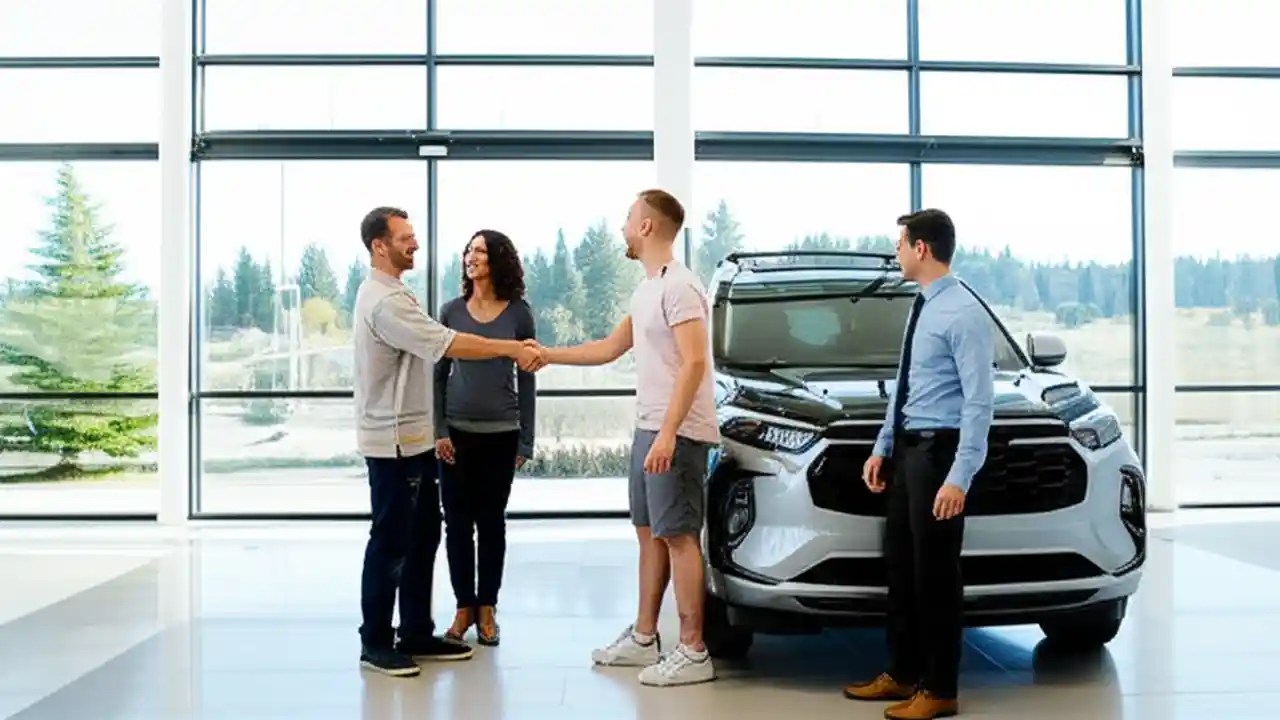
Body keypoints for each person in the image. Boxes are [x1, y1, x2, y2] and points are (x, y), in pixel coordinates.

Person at [530, 189, 720, 687]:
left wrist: (670, 435)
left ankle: (694, 648)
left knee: (679, 536)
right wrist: (548, 356)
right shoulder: (647, 290)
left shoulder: (682, 287)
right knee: (648, 533)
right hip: (649, 427)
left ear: (647, 227)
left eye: (627, 218)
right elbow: (609, 348)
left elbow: (696, 361)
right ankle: (643, 638)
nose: (621, 226)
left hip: (674, 432)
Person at [353, 206, 544, 677]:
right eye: (406, 239)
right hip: (394, 443)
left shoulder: (398, 293)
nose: (415, 245)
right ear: (380, 246)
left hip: (417, 439)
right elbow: (449, 345)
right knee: (392, 541)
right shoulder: (385, 301)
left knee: (423, 535)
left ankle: (416, 629)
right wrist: (509, 348)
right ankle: (376, 641)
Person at [844, 208, 995, 719]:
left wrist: (960, 476)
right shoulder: (923, 306)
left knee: (935, 576)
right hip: (909, 450)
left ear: (922, 249)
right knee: (903, 570)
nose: (896, 252)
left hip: (940, 456)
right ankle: (903, 673)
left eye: (900, 244)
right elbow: (906, 385)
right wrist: (883, 445)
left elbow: (979, 404)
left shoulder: (964, 313)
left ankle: (940, 689)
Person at [434, 229, 537, 647]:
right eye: (467, 250)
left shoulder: (519, 313)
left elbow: (528, 380)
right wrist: (439, 430)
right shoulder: (450, 312)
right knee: (456, 525)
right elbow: (437, 376)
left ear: (496, 260)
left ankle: (488, 608)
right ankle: (464, 607)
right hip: (455, 435)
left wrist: (526, 441)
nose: (469, 257)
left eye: (478, 250)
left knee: (491, 523)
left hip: (501, 435)